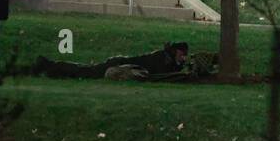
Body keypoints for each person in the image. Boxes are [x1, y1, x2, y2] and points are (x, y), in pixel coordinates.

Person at [32, 42, 189, 79]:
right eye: (182, 54)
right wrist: (180, 66)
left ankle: (52, 69)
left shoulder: (165, 58)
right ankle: (50, 65)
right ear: (175, 52)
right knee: (87, 71)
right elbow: (161, 74)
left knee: (86, 71)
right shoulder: (162, 58)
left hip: (121, 64)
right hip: (119, 65)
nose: (183, 57)